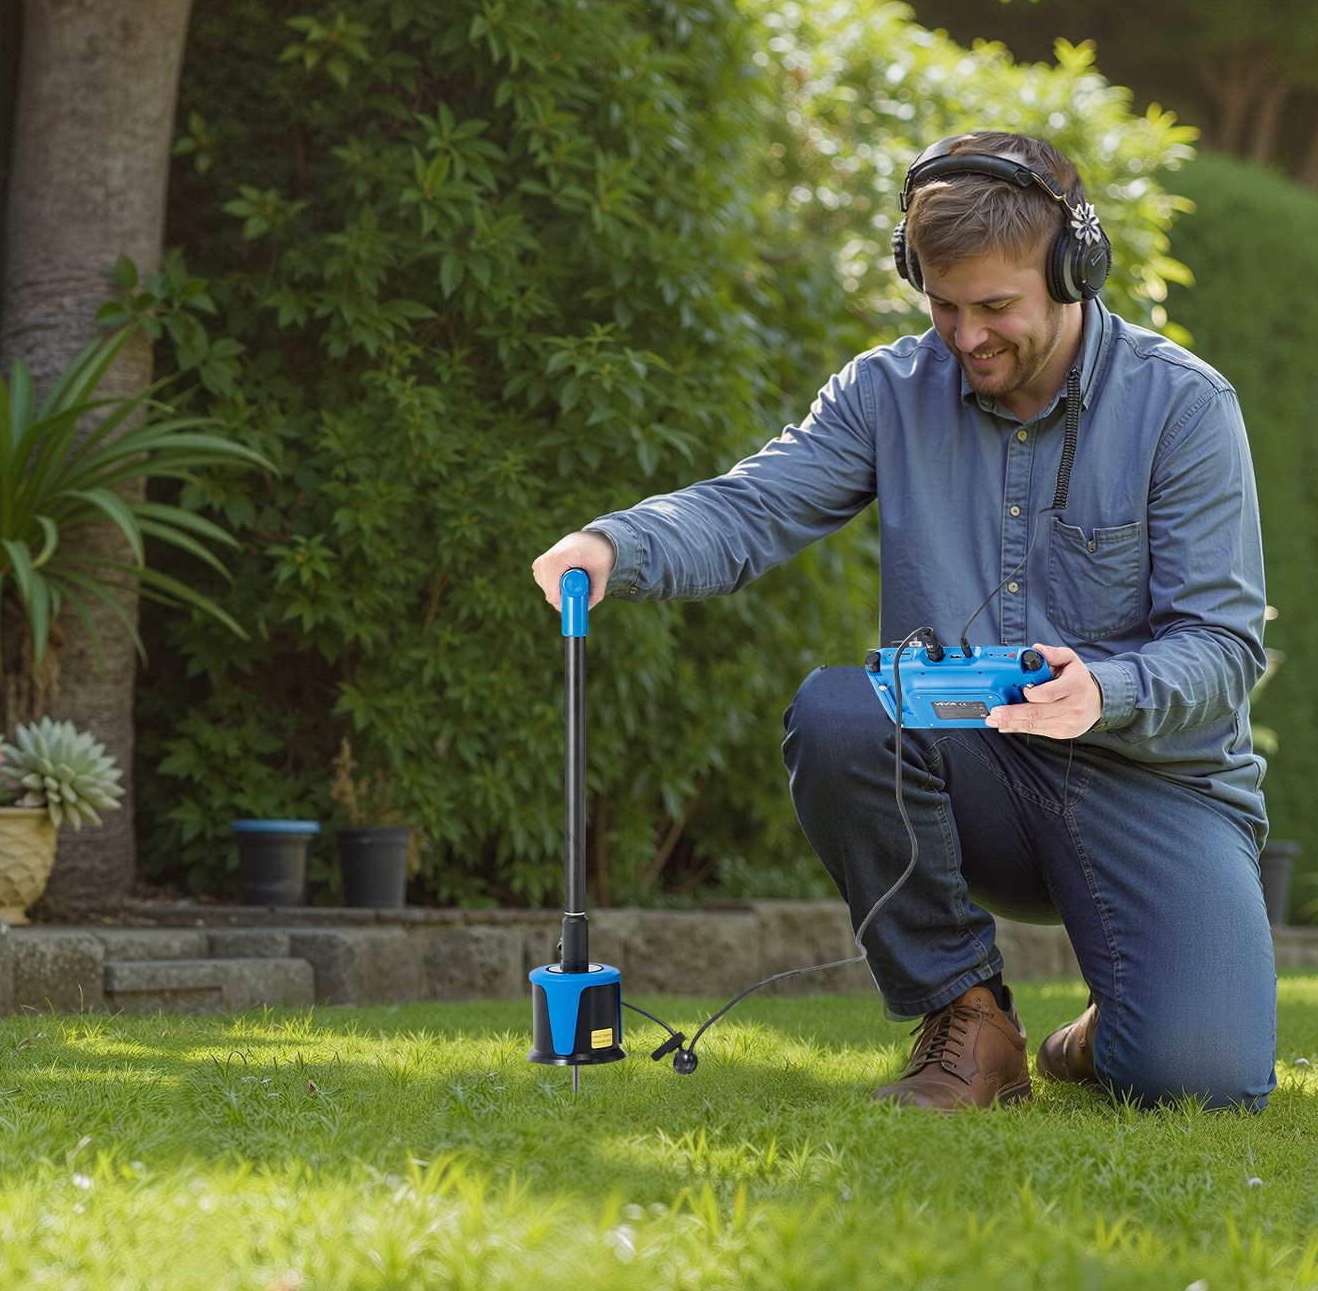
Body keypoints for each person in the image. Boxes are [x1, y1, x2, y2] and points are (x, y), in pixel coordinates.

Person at [531, 131, 1277, 1114]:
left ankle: (1126, 1013)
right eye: (941, 305)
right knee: (843, 717)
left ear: (1072, 271)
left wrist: (1106, 687)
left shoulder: (1183, 407)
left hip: (1153, 778)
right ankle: (968, 1018)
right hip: (979, 769)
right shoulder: (887, 391)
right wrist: (617, 544)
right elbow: (754, 505)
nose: (964, 336)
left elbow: (1223, 647)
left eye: (995, 307)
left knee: (1196, 1080)